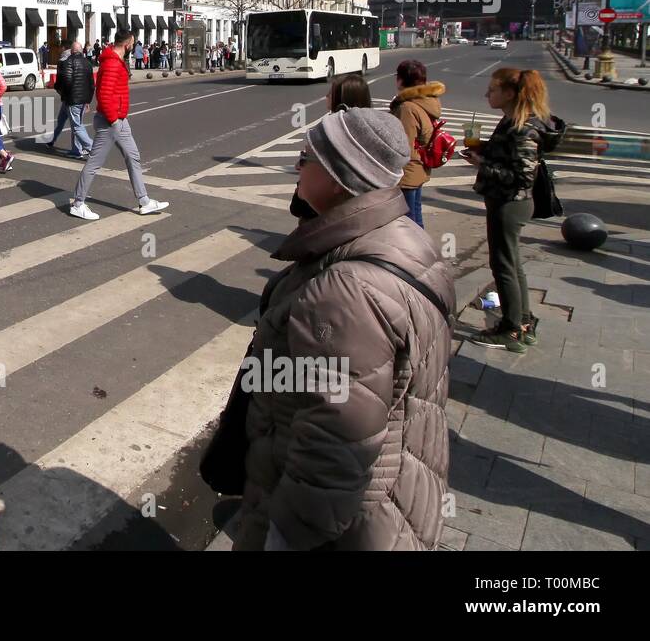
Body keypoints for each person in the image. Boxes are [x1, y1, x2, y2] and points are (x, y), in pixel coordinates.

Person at [207, 107, 454, 550]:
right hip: (393, 498)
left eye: (307, 157)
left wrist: (284, 536)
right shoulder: (401, 236)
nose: (297, 166)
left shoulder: (348, 290)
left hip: (346, 526)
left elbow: (334, 447)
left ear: (342, 176)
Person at [466, 68, 564, 352]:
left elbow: (522, 175)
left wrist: (482, 165)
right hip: (509, 201)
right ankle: (523, 322)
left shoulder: (523, 127)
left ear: (510, 94)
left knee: (503, 266)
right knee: (511, 263)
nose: (487, 94)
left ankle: (511, 330)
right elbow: (511, 159)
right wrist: (485, 150)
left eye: (493, 90)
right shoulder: (513, 122)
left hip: (510, 203)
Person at [70, 30, 168, 220]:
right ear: (128, 43)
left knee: (133, 157)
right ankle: (78, 203)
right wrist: (114, 120)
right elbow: (104, 95)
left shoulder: (114, 61)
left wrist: (119, 119)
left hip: (119, 120)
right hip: (111, 122)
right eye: (133, 42)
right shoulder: (113, 63)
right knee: (94, 163)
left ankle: (144, 201)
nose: (133, 45)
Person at [288, 73, 372, 222]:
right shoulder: (372, 133)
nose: (326, 96)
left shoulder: (330, 133)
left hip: (323, 215)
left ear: (341, 99)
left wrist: (305, 163)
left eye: (330, 93)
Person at [389, 59, 445, 229]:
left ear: (400, 80)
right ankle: (422, 251)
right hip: (419, 166)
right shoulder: (427, 100)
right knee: (415, 215)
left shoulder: (407, 107)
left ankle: (416, 253)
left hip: (408, 170)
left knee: (409, 221)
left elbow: (404, 143)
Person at [45, 39, 93, 159]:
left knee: (76, 127)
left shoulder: (68, 62)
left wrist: (65, 95)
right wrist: (87, 100)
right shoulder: (87, 63)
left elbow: (66, 81)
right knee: (69, 123)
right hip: (81, 100)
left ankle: (92, 148)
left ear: (72, 51)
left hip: (71, 99)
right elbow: (91, 84)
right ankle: (76, 150)